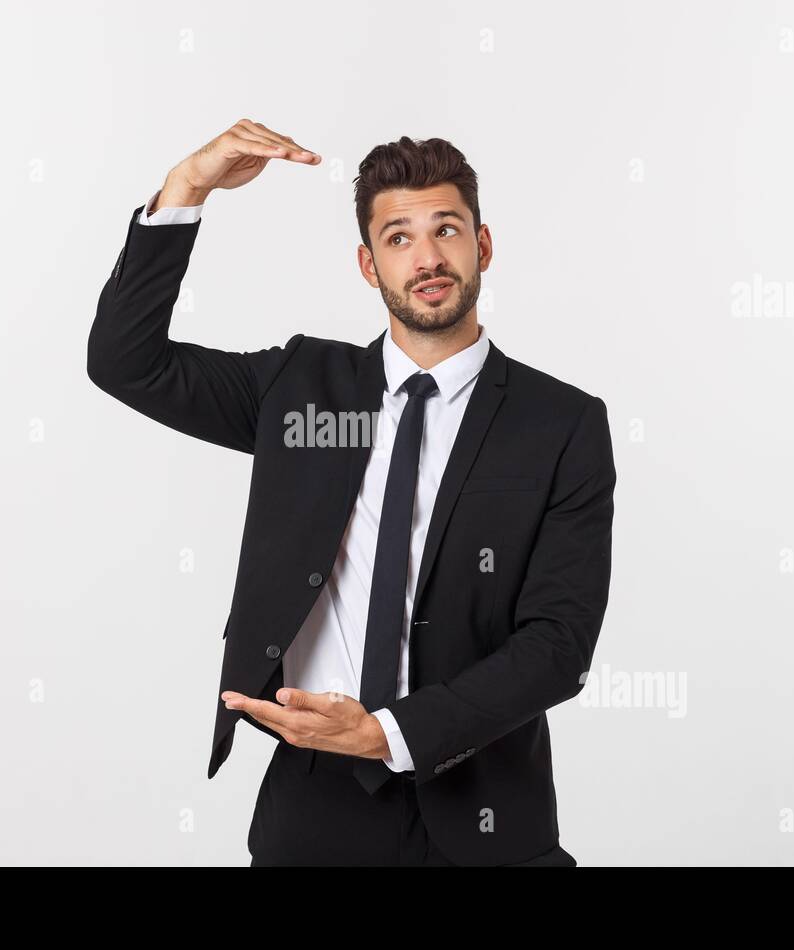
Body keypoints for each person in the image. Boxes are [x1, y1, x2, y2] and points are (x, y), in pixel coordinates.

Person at [87, 119, 615, 866]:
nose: (427, 257)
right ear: (369, 266)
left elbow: (559, 645)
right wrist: (188, 189)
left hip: (487, 808)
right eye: (399, 238)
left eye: (446, 230)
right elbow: (124, 362)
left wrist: (389, 735)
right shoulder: (303, 389)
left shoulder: (561, 424)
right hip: (312, 804)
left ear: (483, 246)